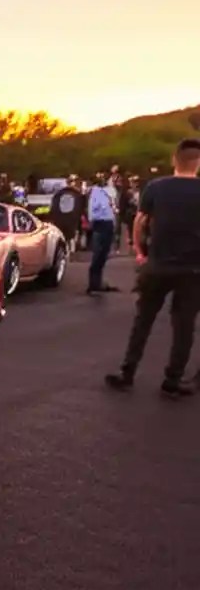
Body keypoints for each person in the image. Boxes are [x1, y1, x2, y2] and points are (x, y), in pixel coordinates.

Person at [105, 139, 200, 398]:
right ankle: (173, 379)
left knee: (143, 320)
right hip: (192, 270)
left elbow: (140, 221)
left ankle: (128, 372)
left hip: (157, 265)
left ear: (174, 160)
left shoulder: (156, 187)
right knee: (184, 326)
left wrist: (139, 251)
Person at [85, 175, 118, 294]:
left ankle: (98, 283)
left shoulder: (108, 192)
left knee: (103, 254)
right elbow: (93, 209)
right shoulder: (95, 193)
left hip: (108, 223)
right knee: (98, 254)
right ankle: (93, 285)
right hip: (100, 223)